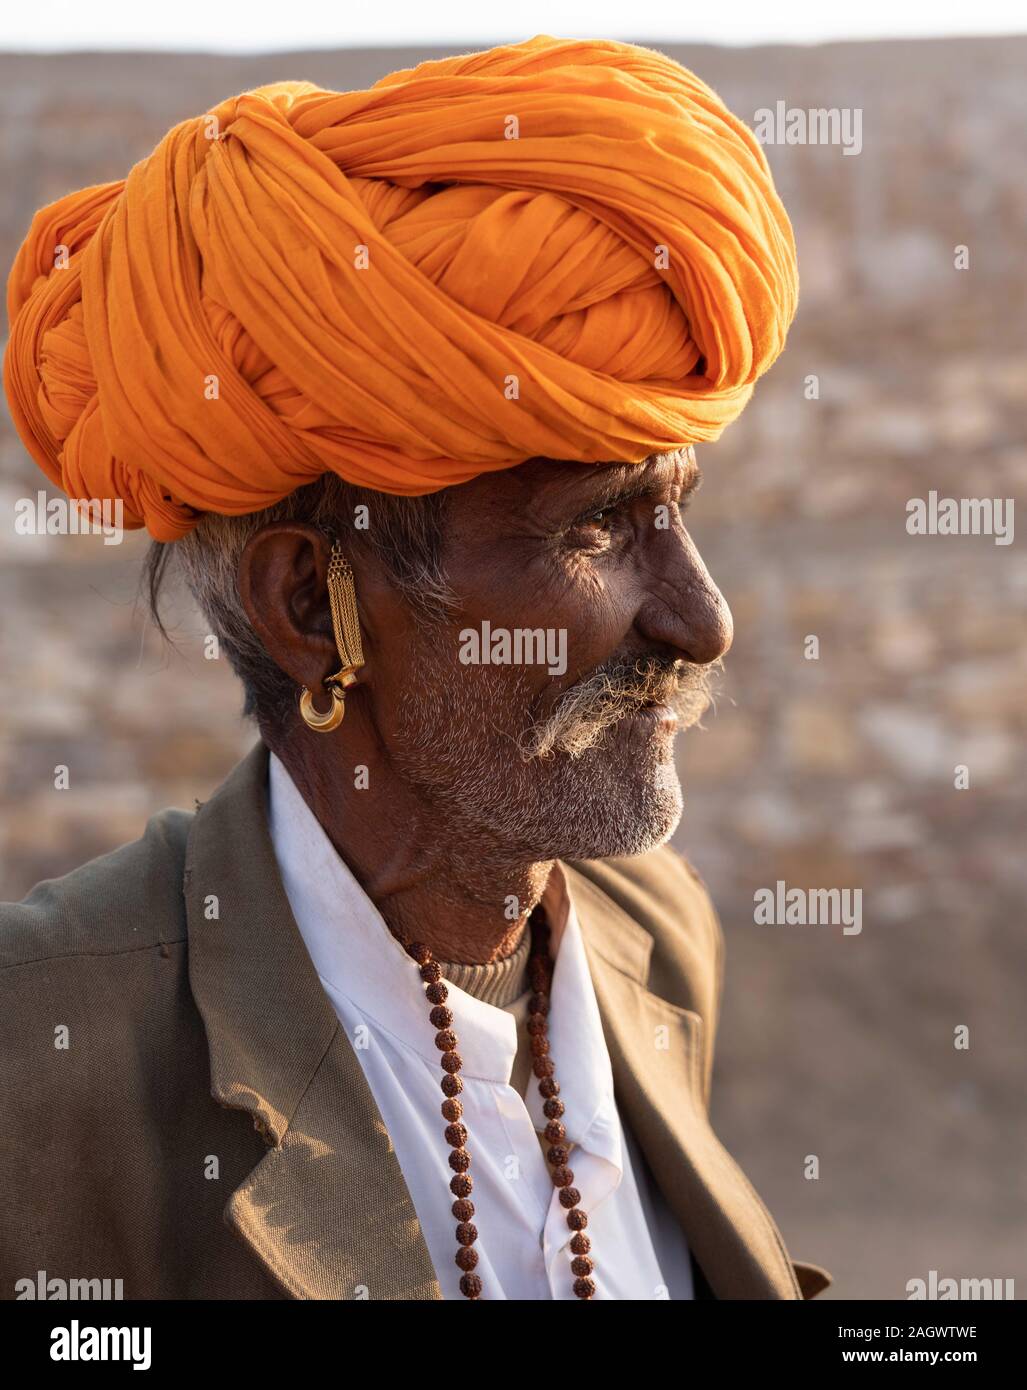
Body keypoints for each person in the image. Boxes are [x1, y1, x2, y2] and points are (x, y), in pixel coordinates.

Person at [1, 34, 830, 1300]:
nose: (702, 620)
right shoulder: (48, 1048)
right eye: (596, 529)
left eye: (679, 510)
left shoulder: (650, 935)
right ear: (309, 607)